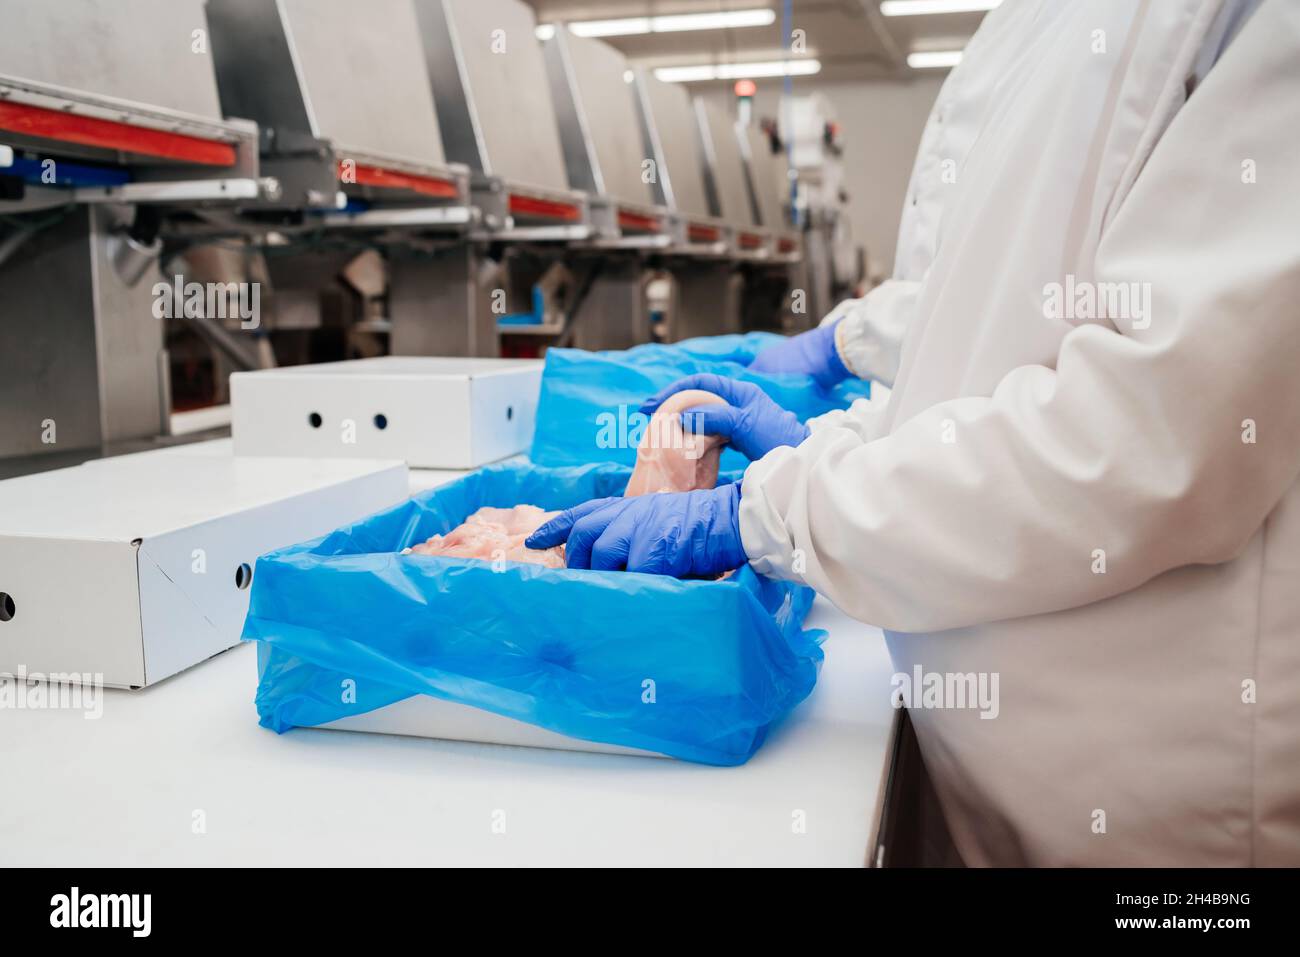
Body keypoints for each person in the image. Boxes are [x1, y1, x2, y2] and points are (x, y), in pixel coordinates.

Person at [529, 0, 1299, 866]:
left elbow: (1154, 436)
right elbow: (975, 353)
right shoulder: (1030, 23)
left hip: (1159, 824)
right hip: (975, 758)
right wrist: (828, 447)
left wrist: (776, 509)